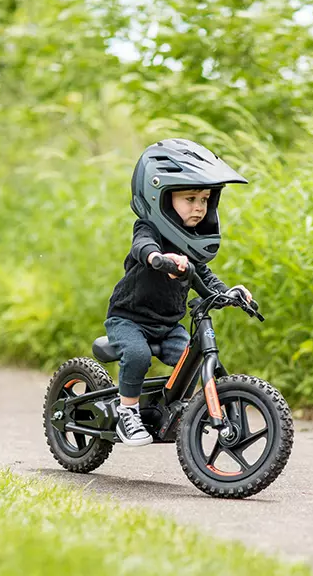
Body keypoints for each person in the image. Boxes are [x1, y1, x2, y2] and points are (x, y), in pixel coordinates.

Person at [104, 138, 253, 446]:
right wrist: (158, 259)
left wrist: (230, 293)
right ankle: (127, 411)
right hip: (129, 319)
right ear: (161, 197)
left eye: (205, 199)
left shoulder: (191, 243)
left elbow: (205, 277)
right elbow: (142, 247)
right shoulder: (149, 230)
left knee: (190, 360)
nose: (199, 207)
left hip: (168, 325)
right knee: (136, 354)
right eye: (190, 199)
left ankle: (171, 410)